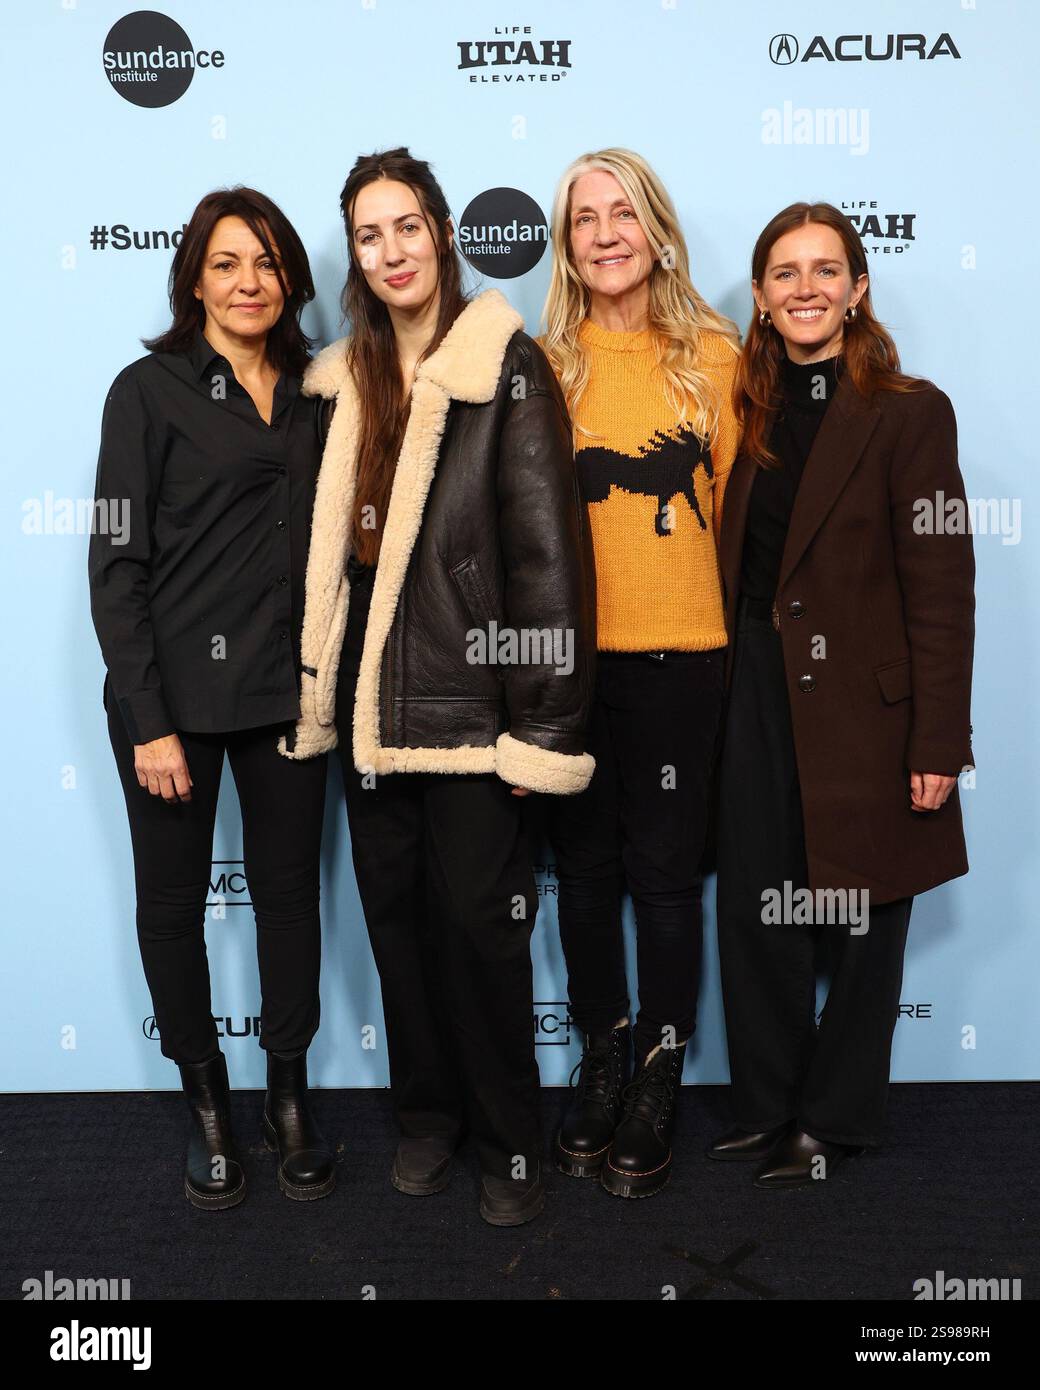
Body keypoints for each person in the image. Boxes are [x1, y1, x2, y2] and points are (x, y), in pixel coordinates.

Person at [279, 147, 595, 1227]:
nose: (390, 251)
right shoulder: (341, 380)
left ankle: (511, 1141)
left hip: (470, 708)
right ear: (356, 256)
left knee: (481, 932)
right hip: (370, 703)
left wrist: (540, 732)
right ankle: (427, 1119)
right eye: (368, 236)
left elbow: (548, 562)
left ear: (443, 234)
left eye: (406, 227)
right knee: (397, 926)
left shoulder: (505, 365)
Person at [708, 202, 975, 1188]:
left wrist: (937, 741)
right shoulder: (742, 407)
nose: (805, 288)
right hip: (754, 687)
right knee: (757, 905)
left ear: (858, 289)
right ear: (760, 296)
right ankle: (766, 1104)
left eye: (826, 270)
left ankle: (834, 1118)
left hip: (867, 707)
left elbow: (941, 588)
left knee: (864, 918)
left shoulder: (909, 411)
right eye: (785, 273)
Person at [89, 188, 334, 1209]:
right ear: (193, 278)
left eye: (267, 262)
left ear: (291, 280)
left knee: (288, 900)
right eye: (227, 263)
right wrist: (149, 722)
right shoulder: (145, 392)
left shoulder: (323, 389)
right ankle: (206, 1108)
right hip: (173, 706)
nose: (248, 282)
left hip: (288, 697)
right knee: (170, 906)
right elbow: (116, 565)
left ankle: (288, 1099)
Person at [539, 148, 740, 1198]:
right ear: (566, 243)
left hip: (684, 662)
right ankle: (602, 1056)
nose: (606, 233)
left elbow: (742, 517)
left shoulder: (717, 357)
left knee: (665, 879)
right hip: (571, 668)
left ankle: (659, 1071)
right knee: (582, 876)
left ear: (656, 231)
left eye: (623, 213)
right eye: (586, 217)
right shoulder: (541, 365)